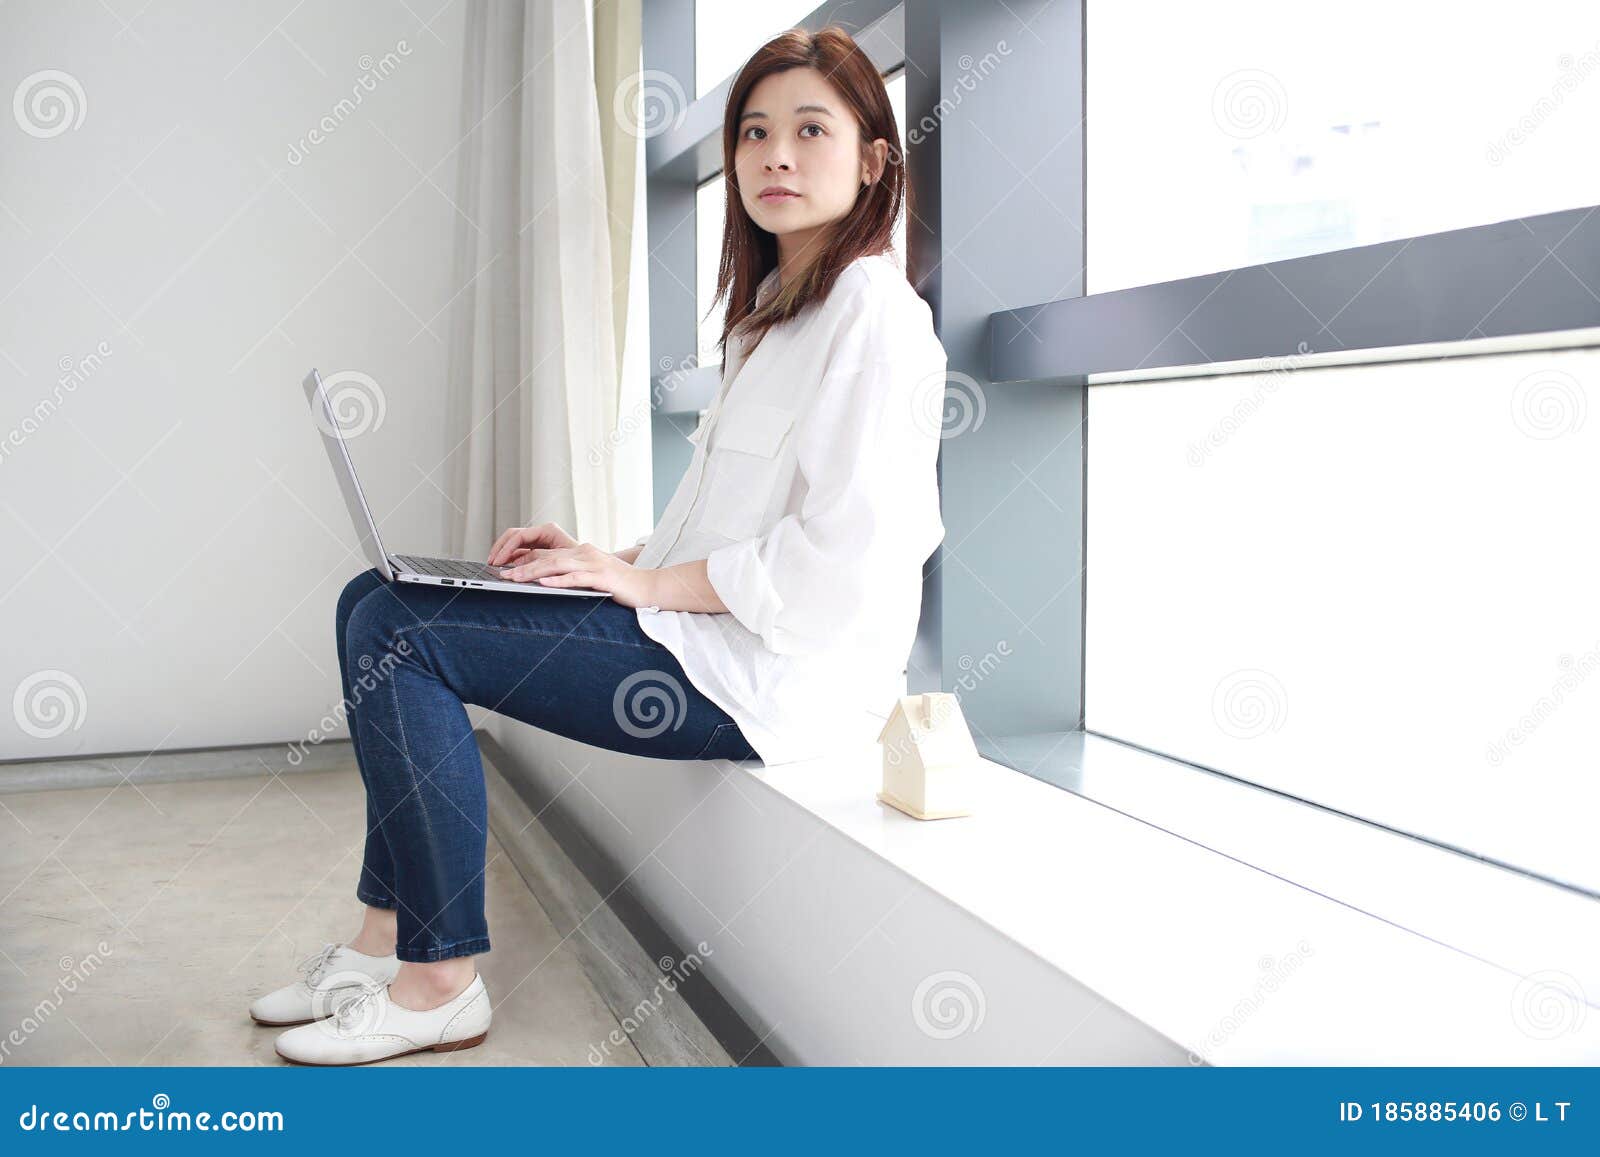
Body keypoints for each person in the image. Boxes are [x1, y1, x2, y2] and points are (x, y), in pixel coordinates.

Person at [256, 24, 946, 1066]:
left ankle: (440, 980)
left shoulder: (875, 315)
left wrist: (642, 583)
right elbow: (721, 524)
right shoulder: (771, 314)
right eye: (754, 132)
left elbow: (842, 564)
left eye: (812, 130)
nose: (776, 155)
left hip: (766, 677)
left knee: (399, 627)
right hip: (697, 634)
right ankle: (380, 940)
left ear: (874, 159)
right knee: (373, 597)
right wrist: (599, 556)